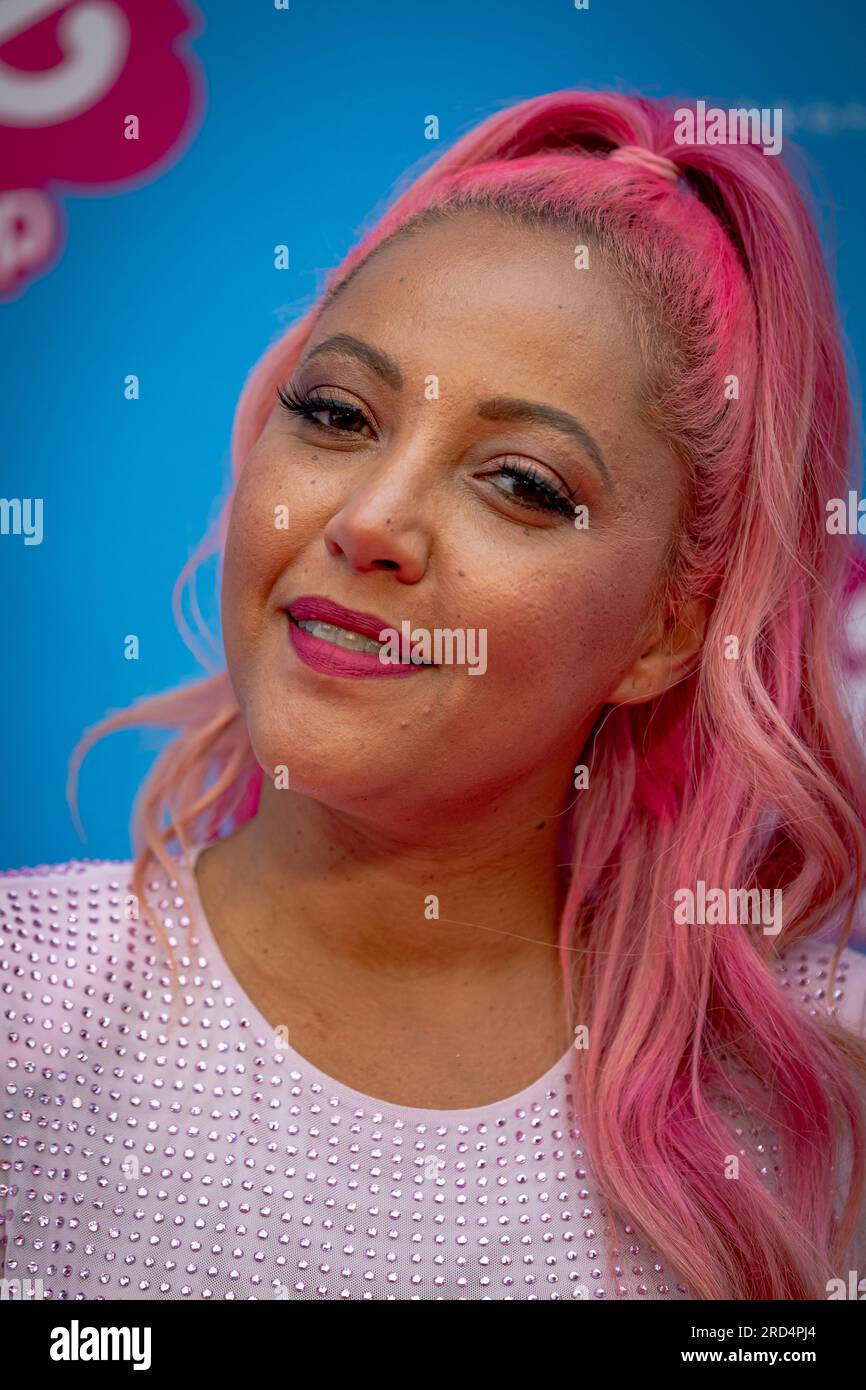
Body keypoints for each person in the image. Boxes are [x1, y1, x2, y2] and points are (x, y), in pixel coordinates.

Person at [3, 88, 866, 1302]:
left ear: (668, 629)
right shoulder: (24, 1001)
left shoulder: (827, 1091)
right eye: (336, 414)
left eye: (518, 483)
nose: (369, 521)